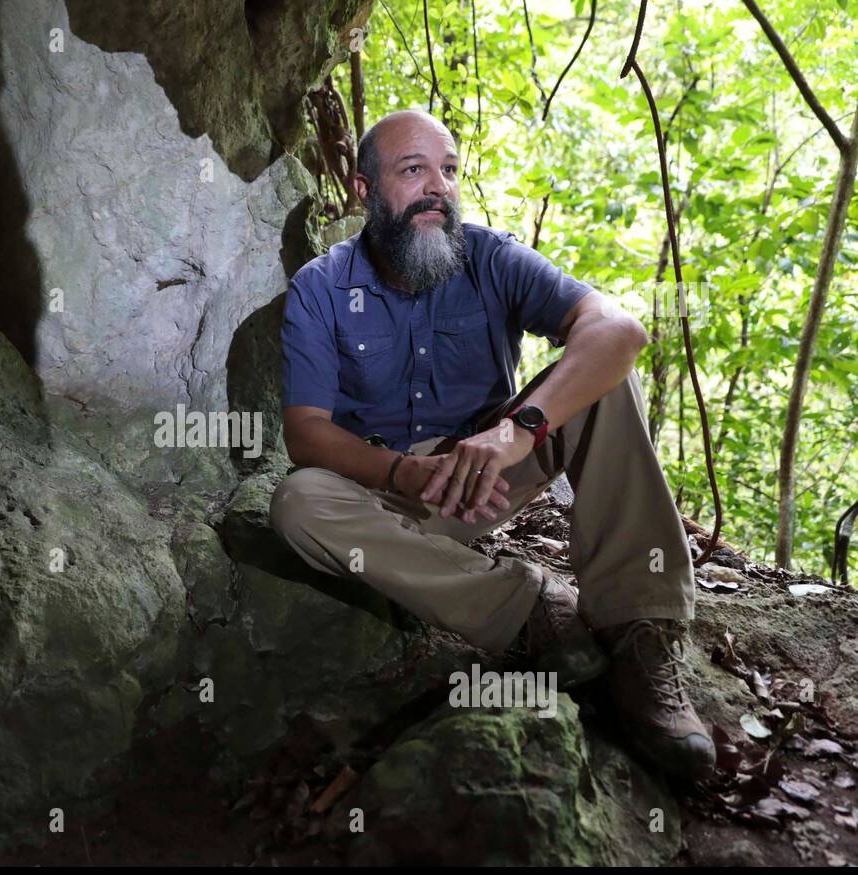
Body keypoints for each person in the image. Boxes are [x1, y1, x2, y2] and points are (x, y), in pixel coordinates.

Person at [269, 108, 715, 781]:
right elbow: (306, 433)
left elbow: (618, 329)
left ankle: (640, 637)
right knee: (297, 504)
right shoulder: (320, 288)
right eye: (413, 169)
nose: (438, 187)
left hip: (495, 474)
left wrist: (516, 432)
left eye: (448, 170)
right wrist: (402, 475)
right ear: (364, 191)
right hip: (393, 500)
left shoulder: (492, 257)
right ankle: (529, 611)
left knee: (605, 382)